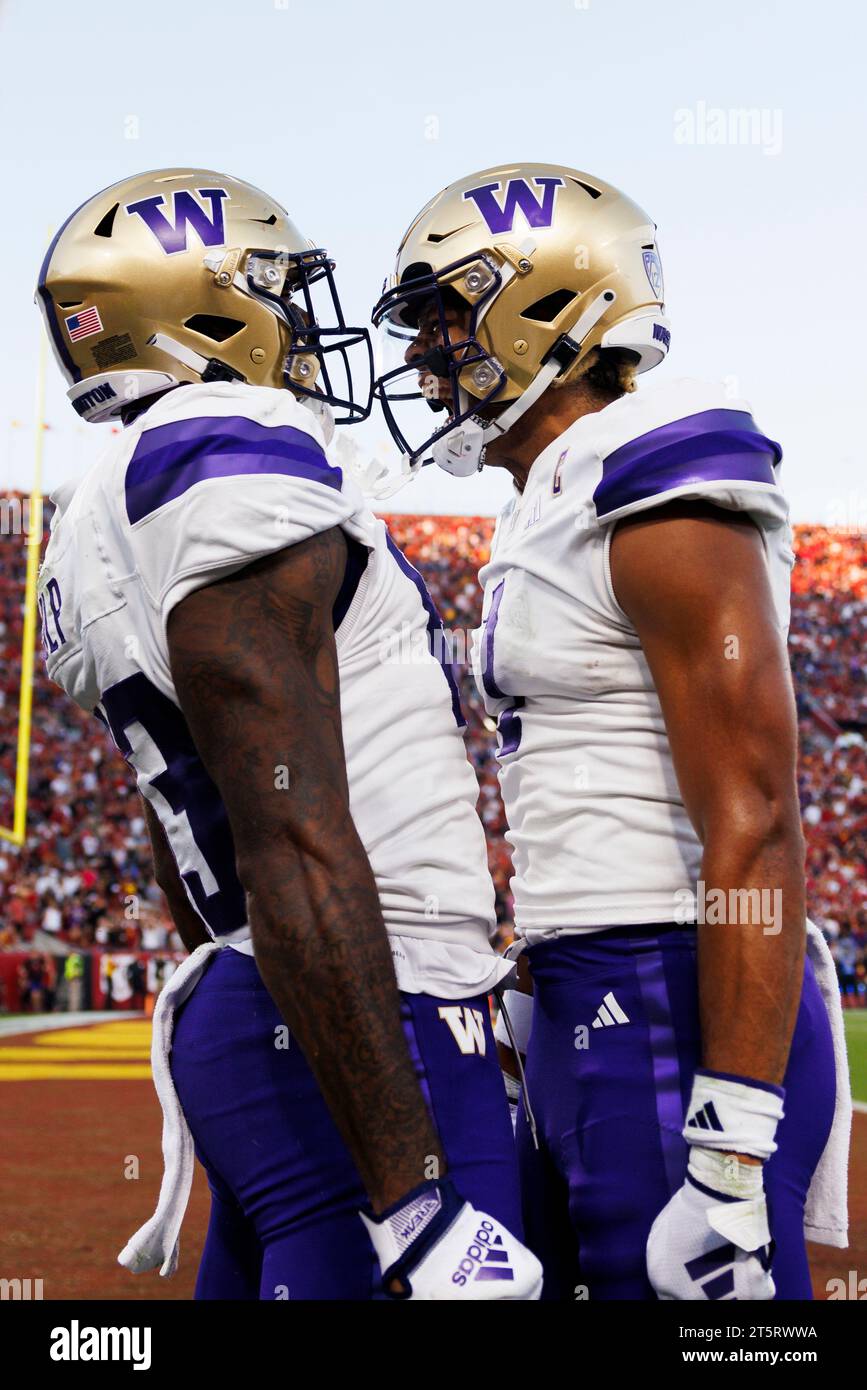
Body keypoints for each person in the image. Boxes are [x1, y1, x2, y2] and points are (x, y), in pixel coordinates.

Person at [36, 168, 540, 1302]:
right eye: (279, 295)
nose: (305, 330)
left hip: (261, 1005)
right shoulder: (231, 443)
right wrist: (412, 1194)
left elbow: (195, 832)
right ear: (207, 308)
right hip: (363, 1017)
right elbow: (291, 837)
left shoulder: (98, 510)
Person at [371, 162, 841, 1299]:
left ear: (550, 302)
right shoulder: (548, 497)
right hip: (596, 991)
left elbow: (760, 814)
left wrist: (729, 1150)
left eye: (448, 313)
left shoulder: (653, 464)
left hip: (676, 1001)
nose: (429, 353)